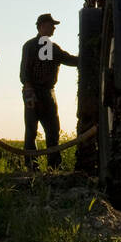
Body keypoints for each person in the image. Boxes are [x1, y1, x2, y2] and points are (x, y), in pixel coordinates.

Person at [19, 13, 78, 171]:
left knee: (44, 129)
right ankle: (49, 165)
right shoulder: (41, 47)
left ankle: (38, 165)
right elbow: (25, 71)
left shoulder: (41, 46)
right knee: (45, 129)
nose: (54, 28)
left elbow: (70, 60)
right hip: (39, 92)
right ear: (41, 26)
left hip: (40, 91)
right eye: (51, 25)